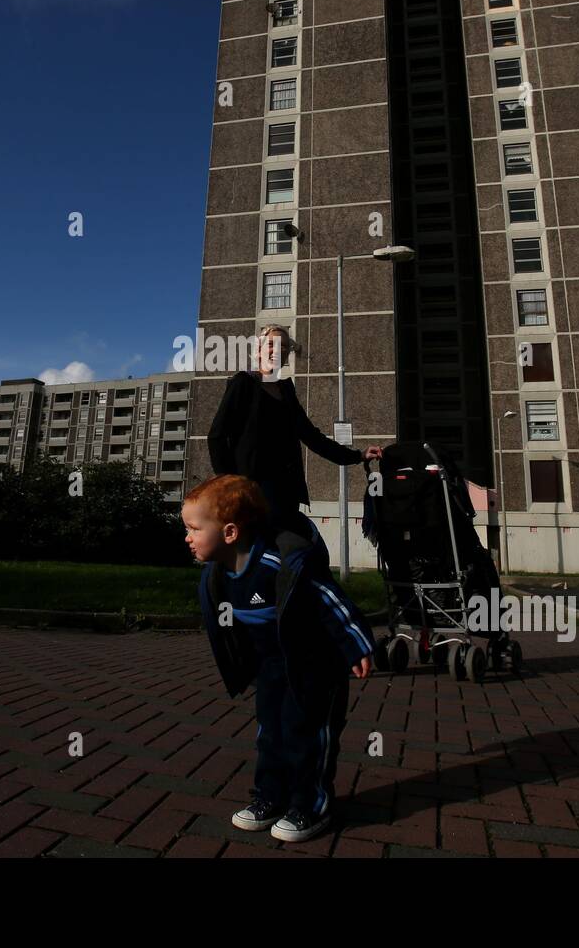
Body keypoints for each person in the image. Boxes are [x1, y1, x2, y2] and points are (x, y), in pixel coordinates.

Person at [182, 473, 375, 844]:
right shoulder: (216, 577)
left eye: (193, 528)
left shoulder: (279, 564)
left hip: (314, 666)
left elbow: (328, 600)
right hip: (271, 668)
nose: (187, 537)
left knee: (306, 734)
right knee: (270, 734)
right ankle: (269, 797)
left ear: (230, 533)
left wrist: (356, 643)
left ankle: (311, 805)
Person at [208, 324, 383, 540]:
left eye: (283, 347)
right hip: (252, 491)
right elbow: (216, 437)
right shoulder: (243, 383)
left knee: (291, 554)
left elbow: (311, 436)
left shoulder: (286, 390)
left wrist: (357, 455)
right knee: (264, 553)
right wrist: (230, 486)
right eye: (271, 344)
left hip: (286, 490)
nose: (277, 350)